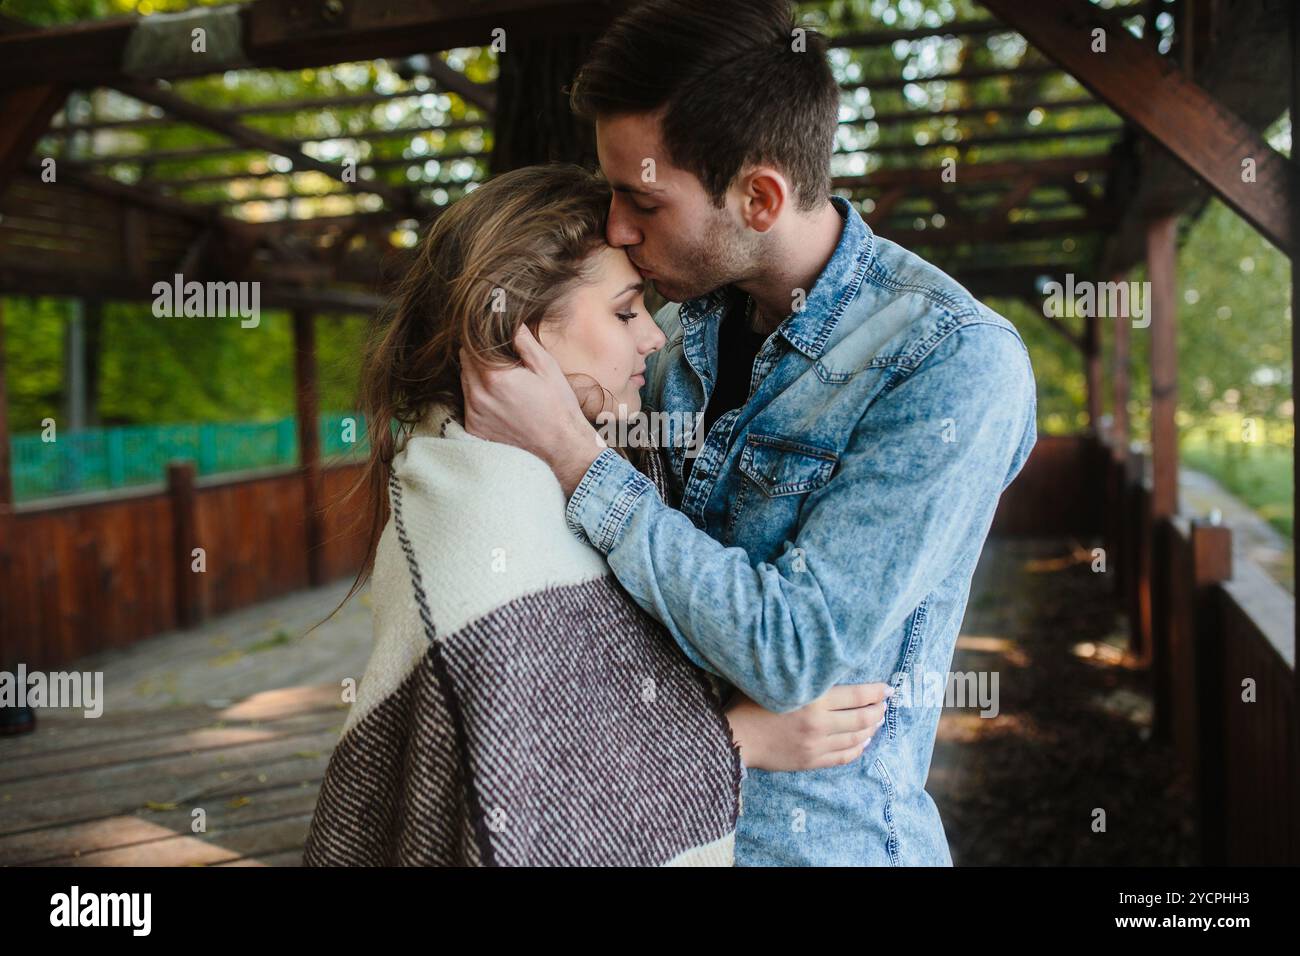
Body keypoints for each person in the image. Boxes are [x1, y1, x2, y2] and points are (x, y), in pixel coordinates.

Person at [460, 0, 1039, 865]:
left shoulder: (952, 364)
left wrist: (580, 462)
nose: (617, 228)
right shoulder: (675, 327)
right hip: (655, 826)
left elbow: (791, 650)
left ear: (760, 197)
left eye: (642, 199)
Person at [303, 163, 891, 866]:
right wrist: (743, 742)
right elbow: (524, 821)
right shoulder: (482, 512)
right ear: (514, 332)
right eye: (624, 312)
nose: (653, 338)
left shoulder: (560, 469)